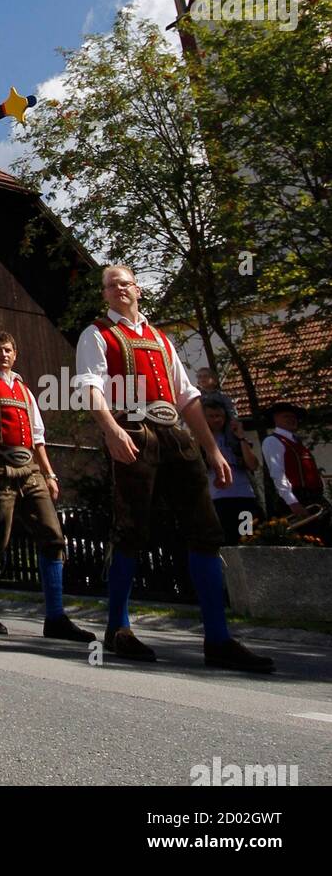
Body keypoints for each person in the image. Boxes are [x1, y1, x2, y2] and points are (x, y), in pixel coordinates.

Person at [75, 265, 273, 672]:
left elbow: (187, 398)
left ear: (138, 289)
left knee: (205, 530)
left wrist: (213, 451)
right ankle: (118, 628)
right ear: (105, 295)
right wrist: (111, 430)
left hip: (174, 434)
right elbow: (88, 386)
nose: (115, 289)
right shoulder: (97, 334)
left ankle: (218, 638)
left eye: (122, 283)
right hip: (133, 431)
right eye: (108, 286)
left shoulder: (162, 339)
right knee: (130, 529)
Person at [0, 331, 94, 643]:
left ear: (16, 354)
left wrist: (49, 475)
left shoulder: (24, 389)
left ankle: (56, 616)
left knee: (53, 536)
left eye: (8, 350)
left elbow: (38, 436)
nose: (4, 355)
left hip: (31, 470)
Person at [201, 400, 261, 545]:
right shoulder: (201, 441)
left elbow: (253, 465)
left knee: (248, 539)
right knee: (227, 541)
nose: (217, 420)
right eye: (212, 416)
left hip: (244, 498)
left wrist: (240, 437)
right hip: (219, 500)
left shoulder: (234, 439)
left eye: (220, 416)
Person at [261, 403, 328, 526]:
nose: (292, 420)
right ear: (275, 418)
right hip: (297, 497)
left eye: (294, 417)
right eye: (287, 416)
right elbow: (277, 473)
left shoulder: (297, 442)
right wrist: (292, 502)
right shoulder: (273, 441)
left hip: (315, 498)